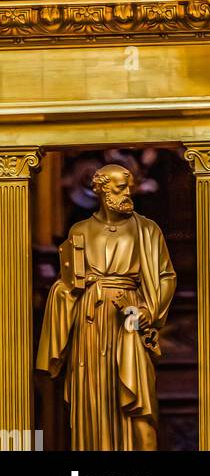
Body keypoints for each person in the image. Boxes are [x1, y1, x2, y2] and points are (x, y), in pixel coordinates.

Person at [36, 165, 176, 451]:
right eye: (119, 187)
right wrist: (68, 290)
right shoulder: (80, 231)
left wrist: (149, 311)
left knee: (139, 400)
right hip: (91, 322)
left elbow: (165, 277)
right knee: (92, 397)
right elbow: (66, 285)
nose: (127, 193)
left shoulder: (147, 230)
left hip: (130, 318)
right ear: (99, 188)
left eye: (129, 187)